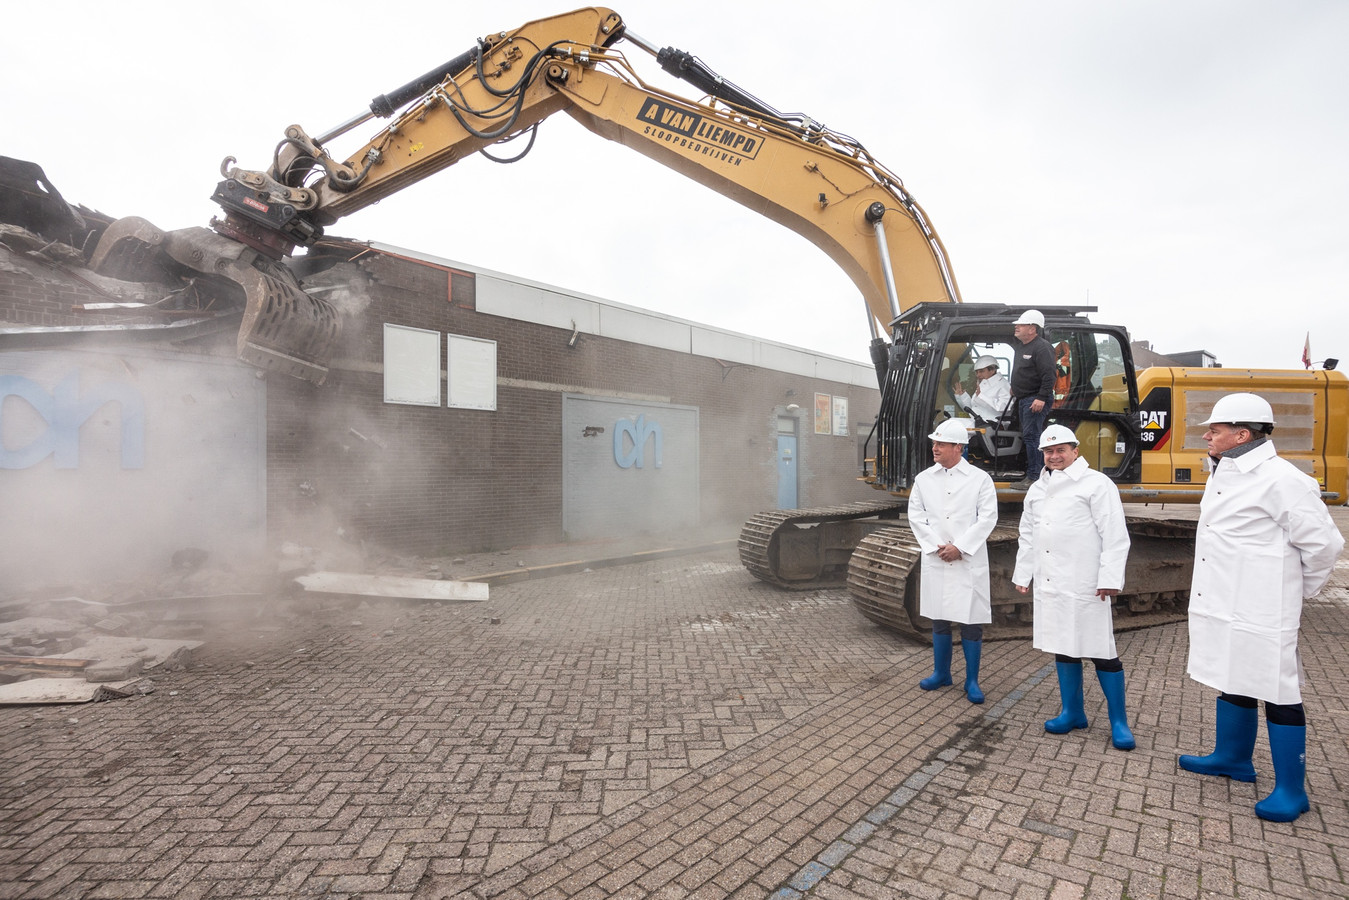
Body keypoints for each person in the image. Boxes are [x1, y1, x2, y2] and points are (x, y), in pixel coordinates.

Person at [1178, 392, 1344, 823]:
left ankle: (1292, 790)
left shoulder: (1282, 480)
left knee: (1278, 690)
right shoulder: (1226, 472)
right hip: (1224, 601)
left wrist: (1292, 593)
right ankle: (1232, 759)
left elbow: (1324, 546)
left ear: (1242, 433)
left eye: (1214, 430)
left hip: (1263, 607)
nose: (1207, 436)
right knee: (1234, 675)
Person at [1012, 424, 1135, 750]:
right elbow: (1028, 534)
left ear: (1075, 451)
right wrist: (1023, 574)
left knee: (1102, 651)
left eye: (1060, 450)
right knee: (1063, 646)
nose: (1054, 456)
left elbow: (1114, 534)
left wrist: (1110, 578)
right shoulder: (1036, 490)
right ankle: (1072, 712)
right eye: (1048, 452)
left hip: (1085, 584)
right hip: (1052, 582)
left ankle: (1119, 722)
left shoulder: (1096, 484)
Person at [909, 417, 999, 703]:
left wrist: (959, 547)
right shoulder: (923, 479)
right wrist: (938, 546)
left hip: (966, 559)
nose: (934, 448)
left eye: (941, 443)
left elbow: (987, 518)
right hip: (937, 557)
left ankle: (972, 681)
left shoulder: (980, 480)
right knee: (939, 616)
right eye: (934, 443)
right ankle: (941, 673)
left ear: (958, 447)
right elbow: (916, 516)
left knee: (971, 620)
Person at [1008, 310, 1056, 490]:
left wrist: (1041, 397)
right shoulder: (1022, 347)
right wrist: (1016, 387)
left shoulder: (1042, 347)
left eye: (1021, 324)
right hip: (1024, 398)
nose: (1016, 327)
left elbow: (1049, 376)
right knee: (1028, 436)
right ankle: (1032, 473)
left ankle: (1035, 477)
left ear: (1032, 328)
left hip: (1034, 399)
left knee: (1032, 436)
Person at [954, 354, 1012, 423]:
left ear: (992, 370)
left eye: (981, 371)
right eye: (977, 372)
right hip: (978, 421)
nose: (978, 375)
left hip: (993, 424)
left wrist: (981, 396)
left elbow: (1003, 408)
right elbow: (973, 408)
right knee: (950, 422)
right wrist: (962, 396)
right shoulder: (983, 384)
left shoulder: (1003, 384)